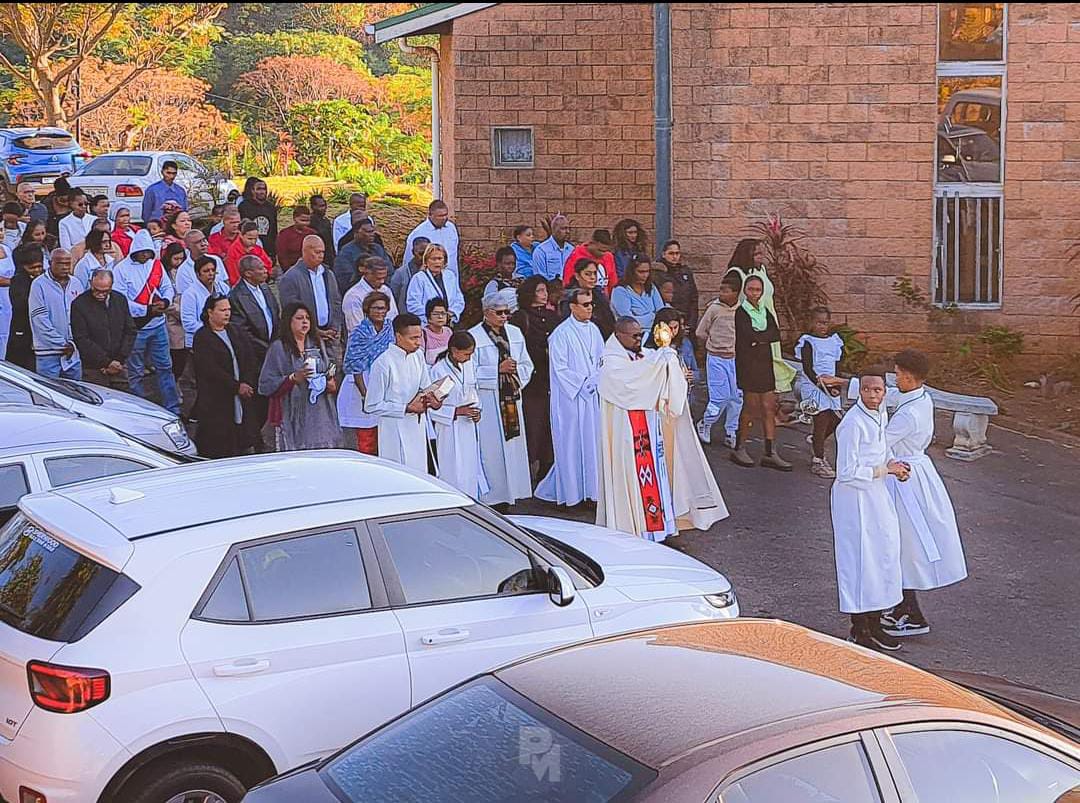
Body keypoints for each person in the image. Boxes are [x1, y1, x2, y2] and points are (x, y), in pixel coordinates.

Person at [595, 316, 728, 543]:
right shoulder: (610, 362)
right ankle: (633, 527)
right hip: (626, 434)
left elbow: (655, 372)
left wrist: (670, 363)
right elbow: (634, 382)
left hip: (648, 430)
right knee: (632, 481)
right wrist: (661, 361)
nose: (639, 339)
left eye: (641, 334)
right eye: (634, 336)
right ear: (619, 335)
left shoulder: (644, 355)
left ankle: (658, 528)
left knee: (656, 478)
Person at [880, 349, 968, 639]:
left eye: (896, 374)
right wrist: (847, 385)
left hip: (904, 478)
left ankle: (911, 613)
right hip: (916, 473)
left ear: (907, 375)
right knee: (902, 543)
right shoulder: (921, 397)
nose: (894, 379)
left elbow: (880, 442)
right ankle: (901, 605)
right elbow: (891, 395)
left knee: (903, 543)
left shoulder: (908, 415)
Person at [832, 368, 910, 652]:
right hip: (854, 499)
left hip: (876, 494)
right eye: (867, 389)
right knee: (860, 559)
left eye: (877, 390)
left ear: (885, 392)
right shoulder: (853, 423)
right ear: (859, 391)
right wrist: (884, 470)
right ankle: (859, 628)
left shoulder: (880, 414)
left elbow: (883, 449)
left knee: (883, 555)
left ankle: (876, 621)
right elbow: (846, 472)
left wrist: (895, 465)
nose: (872, 395)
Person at [535, 287, 604, 507]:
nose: (590, 308)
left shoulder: (594, 330)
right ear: (573, 306)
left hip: (591, 397)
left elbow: (602, 360)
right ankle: (572, 495)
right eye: (585, 304)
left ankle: (592, 493)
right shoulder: (561, 334)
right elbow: (560, 369)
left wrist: (596, 380)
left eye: (591, 304)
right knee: (571, 445)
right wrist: (583, 384)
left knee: (591, 444)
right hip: (570, 400)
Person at [470, 289, 534, 506]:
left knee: (513, 447)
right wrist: (497, 370)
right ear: (486, 312)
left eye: (507, 312)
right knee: (492, 450)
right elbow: (469, 371)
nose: (504, 317)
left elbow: (526, 364)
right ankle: (493, 497)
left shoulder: (515, 333)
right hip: (488, 400)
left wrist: (515, 375)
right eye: (499, 313)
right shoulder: (474, 336)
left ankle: (513, 493)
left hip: (511, 398)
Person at [113, 229, 181, 415]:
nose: (145, 256)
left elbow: (166, 287)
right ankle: (141, 410)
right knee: (135, 372)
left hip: (158, 325)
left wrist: (165, 301)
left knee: (165, 367)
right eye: (142, 252)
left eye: (148, 252)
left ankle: (172, 407)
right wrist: (146, 310)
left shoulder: (156, 266)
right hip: (136, 328)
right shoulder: (121, 270)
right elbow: (121, 300)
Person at [258, 302, 341, 451]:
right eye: (299, 318)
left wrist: (330, 383)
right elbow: (265, 384)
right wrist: (292, 378)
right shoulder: (279, 348)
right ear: (289, 321)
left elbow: (328, 370)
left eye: (307, 318)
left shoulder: (317, 344)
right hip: (292, 410)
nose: (304, 322)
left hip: (320, 411)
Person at [365, 312, 442, 471]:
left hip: (417, 427)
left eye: (419, 337)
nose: (418, 342)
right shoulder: (383, 363)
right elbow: (371, 405)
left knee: (419, 471)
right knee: (399, 472)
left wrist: (434, 399)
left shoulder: (418, 356)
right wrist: (405, 408)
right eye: (413, 338)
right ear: (398, 337)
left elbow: (425, 387)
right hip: (394, 430)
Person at [731, 275, 791, 471]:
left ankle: (770, 452)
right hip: (748, 364)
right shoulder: (741, 312)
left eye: (758, 290)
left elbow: (774, 334)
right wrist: (760, 338)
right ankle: (740, 447)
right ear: (745, 291)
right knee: (751, 407)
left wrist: (759, 339)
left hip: (765, 363)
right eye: (751, 289)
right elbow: (748, 336)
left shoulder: (765, 311)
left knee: (768, 407)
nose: (754, 294)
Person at [726, 238, 797, 397]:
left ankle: (773, 396)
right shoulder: (736, 274)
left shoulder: (761, 270)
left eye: (761, 253)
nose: (761, 257)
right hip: (749, 325)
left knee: (771, 360)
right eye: (757, 254)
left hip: (766, 318)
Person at [191, 296, 258, 458]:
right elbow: (210, 369)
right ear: (210, 312)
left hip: (242, 393)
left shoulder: (236, 331)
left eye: (228, 310)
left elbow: (249, 357)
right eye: (222, 310)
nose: (227, 314)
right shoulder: (202, 337)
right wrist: (235, 386)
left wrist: (246, 382)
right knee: (220, 440)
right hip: (218, 399)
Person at [509, 276, 558, 481]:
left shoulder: (552, 316)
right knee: (533, 425)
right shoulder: (521, 318)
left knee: (549, 426)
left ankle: (547, 469)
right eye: (539, 290)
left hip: (550, 378)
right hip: (531, 380)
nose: (544, 294)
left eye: (545, 290)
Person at [429, 331, 488, 498]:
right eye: (466, 354)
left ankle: (471, 500)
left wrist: (477, 410)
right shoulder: (438, 370)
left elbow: (473, 391)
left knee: (470, 467)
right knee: (453, 468)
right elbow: (431, 406)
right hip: (448, 428)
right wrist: (455, 411)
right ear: (454, 351)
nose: (469, 358)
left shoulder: (469, 366)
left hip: (468, 426)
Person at [795, 306, 847, 478]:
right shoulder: (808, 342)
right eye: (818, 323)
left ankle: (817, 440)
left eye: (825, 323)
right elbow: (808, 368)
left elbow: (837, 366)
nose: (822, 326)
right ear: (811, 323)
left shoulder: (834, 341)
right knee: (821, 419)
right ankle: (818, 460)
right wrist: (822, 386)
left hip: (831, 386)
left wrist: (836, 386)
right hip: (813, 386)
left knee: (836, 419)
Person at [339, 292, 395, 454]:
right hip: (362, 384)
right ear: (367, 310)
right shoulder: (359, 333)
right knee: (366, 437)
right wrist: (366, 394)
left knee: (384, 435)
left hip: (386, 384)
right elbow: (355, 365)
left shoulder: (391, 331)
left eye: (383, 308)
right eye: (375, 308)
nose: (379, 312)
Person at [696, 272, 744, 449]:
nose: (722, 293)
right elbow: (700, 332)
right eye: (721, 290)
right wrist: (713, 344)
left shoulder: (741, 310)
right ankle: (706, 422)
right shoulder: (714, 309)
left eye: (726, 290)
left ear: (736, 293)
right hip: (716, 358)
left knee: (736, 397)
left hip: (735, 359)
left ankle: (731, 431)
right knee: (719, 397)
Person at [277, 235, 343, 360]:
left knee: (333, 368)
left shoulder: (328, 274)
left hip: (331, 335)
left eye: (322, 252)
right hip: (306, 337)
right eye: (317, 252)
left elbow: (336, 302)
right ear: (305, 251)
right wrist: (314, 330)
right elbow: (290, 310)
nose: (321, 256)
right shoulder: (291, 277)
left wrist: (334, 327)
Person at [69, 269, 135, 390]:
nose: (100, 294)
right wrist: (106, 362)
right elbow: (81, 338)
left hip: (119, 364)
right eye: (96, 290)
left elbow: (130, 331)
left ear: (111, 286)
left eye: (105, 291)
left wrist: (119, 359)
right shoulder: (79, 304)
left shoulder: (120, 300)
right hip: (93, 368)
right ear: (90, 283)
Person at [29, 248, 84, 379]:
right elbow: (39, 320)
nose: (65, 267)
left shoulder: (76, 283)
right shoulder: (39, 284)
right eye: (60, 263)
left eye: (67, 263)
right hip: (48, 352)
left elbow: (82, 316)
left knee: (75, 389)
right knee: (48, 390)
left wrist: (74, 342)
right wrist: (61, 344)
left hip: (73, 352)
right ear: (50, 263)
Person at [406, 243, 465, 325]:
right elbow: (412, 305)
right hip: (427, 324)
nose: (437, 262)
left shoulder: (450, 275)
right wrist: (434, 314)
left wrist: (451, 313)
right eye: (433, 259)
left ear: (444, 261)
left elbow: (459, 299)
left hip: (449, 322)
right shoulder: (418, 278)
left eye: (440, 258)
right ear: (426, 261)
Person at [6, 245, 44, 369]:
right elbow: (22, 305)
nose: (37, 270)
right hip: (23, 331)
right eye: (32, 268)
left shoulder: (45, 279)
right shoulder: (18, 282)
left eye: (39, 266)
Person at [561, 257, 615, 340]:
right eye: (587, 274)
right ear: (577, 276)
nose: (593, 277)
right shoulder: (569, 298)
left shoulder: (599, 294)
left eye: (594, 273)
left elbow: (609, 319)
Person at [401, 199, 460, 275]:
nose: (444, 218)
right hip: (430, 277)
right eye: (440, 216)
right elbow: (408, 261)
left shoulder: (451, 228)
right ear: (430, 215)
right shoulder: (419, 233)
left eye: (445, 215)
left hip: (451, 276)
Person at [343, 256, 398, 333]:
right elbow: (356, 328)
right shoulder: (353, 296)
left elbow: (393, 316)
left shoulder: (386, 290)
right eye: (378, 278)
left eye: (384, 278)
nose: (382, 281)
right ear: (367, 274)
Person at [334, 219, 391, 292]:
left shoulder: (378, 249)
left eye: (372, 231)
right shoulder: (345, 253)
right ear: (356, 233)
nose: (372, 234)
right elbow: (345, 279)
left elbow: (390, 270)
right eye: (368, 232)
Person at [656, 239, 699, 335]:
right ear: (663, 254)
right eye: (671, 253)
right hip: (668, 319)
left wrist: (691, 323)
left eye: (677, 253)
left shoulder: (685, 271)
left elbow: (693, 298)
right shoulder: (658, 273)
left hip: (687, 319)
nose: (674, 257)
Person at [611, 254, 664, 332]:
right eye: (641, 272)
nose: (645, 275)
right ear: (632, 272)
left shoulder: (651, 287)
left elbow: (662, 312)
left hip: (656, 331)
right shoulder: (620, 291)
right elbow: (629, 321)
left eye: (647, 271)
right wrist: (653, 316)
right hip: (633, 334)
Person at [180, 255, 219, 351]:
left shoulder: (222, 288)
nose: (211, 274)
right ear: (197, 274)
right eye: (206, 271)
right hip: (197, 342)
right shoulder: (190, 294)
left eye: (213, 270)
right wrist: (213, 329)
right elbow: (188, 323)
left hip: (219, 339)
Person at [561, 229, 617, 294]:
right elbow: (568, 282)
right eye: (600, 250)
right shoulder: (576, 256)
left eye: (605, 251)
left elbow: (613, 282)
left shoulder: (609, 257)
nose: (603, 254)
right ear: (591, 243)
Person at [178, 230, 229, 297]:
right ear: (188, 246)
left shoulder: (216, 260)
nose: (203, 244)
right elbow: (186, 296)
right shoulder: (183, 270)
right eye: (198, 242)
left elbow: (226, 282)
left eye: (204, 240)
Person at [238, 178, 278, 263]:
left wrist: (273, 253)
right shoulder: (244, 206)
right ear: (252, 190)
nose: (262, 192)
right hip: (250, 250)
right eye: (259, 189)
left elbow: (274, 230)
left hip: (268, 251)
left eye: (264, 189)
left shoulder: (271, 207)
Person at [225, 221, 272, 287]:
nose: (253, 242)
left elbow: (268, 265)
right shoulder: (233, 251)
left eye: (255, 239)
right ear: (241, 235)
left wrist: (265, 275)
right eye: (250, 239)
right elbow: (234, 276)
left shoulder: (257, 248)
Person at [389, 235, 428, 311]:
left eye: (427, 254)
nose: (424, 257)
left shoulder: (437, 272)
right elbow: (393, 298)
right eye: (421, 254)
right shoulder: (401, 273)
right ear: (413, 252)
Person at [531, 213, 573, 281]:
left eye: (569, 228)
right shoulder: (541, 251)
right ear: (554, 230)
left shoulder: (571, 250)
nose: (568, 231)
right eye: (563, 228)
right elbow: (540, 278)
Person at [274, 205, 315, 276]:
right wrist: (290, 271)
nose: (305, 223)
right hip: (289, 270)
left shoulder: (312, 233)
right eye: (302, 220)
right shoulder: (285, 234)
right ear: (294, 218)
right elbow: (282, 255)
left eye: (307, 221)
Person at [421, 298, 452, 365]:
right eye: (436, 314)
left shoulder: (448, 332)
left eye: (443, 313)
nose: (440, 316)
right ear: (428, 317)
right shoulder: (422, 334)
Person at [308, 194, 335, 263]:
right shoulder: (310, 222)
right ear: (313, 207)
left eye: (324, 205)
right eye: (321, 206)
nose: (324, 208)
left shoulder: (326, 221)